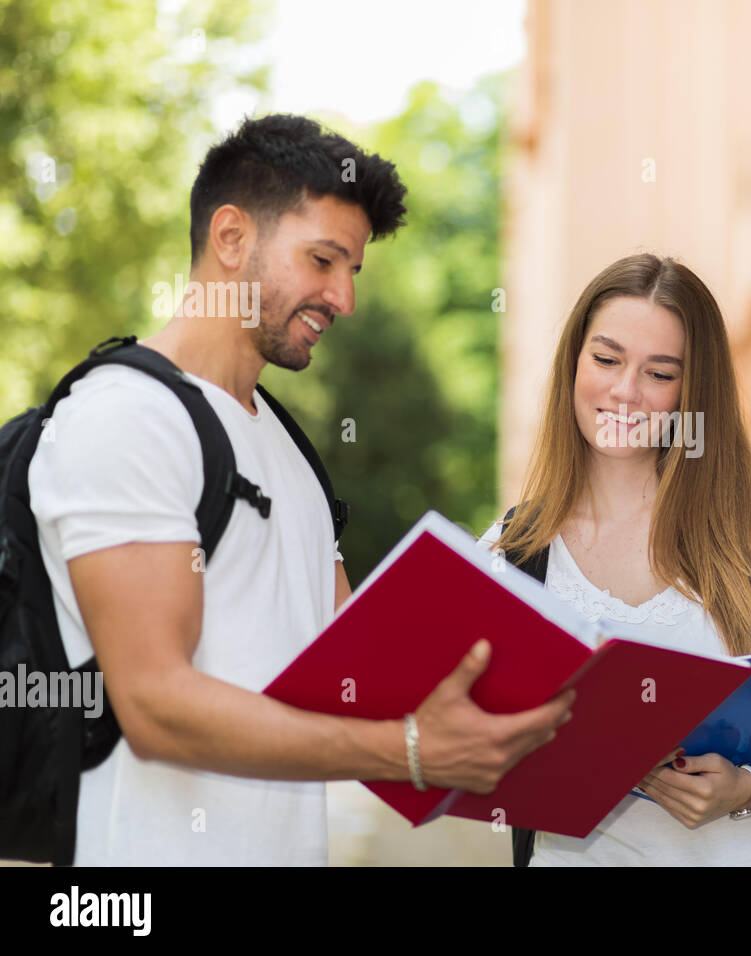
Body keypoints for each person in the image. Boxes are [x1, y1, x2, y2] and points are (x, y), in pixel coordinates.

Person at [28, 113, 573, 865]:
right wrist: (409, 752)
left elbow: (362, 668)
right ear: (230, 238)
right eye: (322, 260)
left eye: (352, 270)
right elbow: (154, 705)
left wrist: (553, 695)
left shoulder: (287, 449)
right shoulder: (128, 417)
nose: (343, 298)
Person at [482, 253, 751, 865]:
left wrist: (744, 790)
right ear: (574, 363)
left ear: (692, 391)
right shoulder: (513, 551)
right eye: (607, 359)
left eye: (660, 373)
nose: (625, 392)